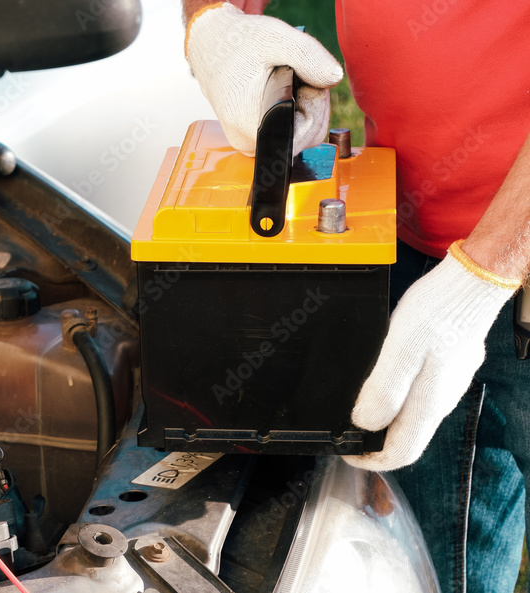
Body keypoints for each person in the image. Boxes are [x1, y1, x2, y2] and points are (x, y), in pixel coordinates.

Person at [180, 2, 530, 592]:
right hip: (417, 253)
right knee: (434, 563)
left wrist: (486, 274)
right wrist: (212, 25)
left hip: (495, 268)